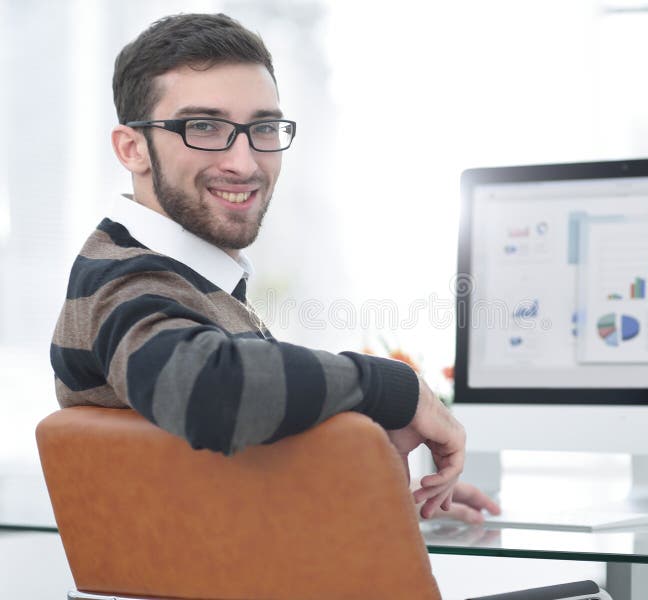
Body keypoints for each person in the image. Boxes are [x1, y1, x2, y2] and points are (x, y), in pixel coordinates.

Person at [50, 12, 499, 525]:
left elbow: (213, 491)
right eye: (204, 127)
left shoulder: (182, 279)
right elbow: (208, 392)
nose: (243, 163)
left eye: (262, 128)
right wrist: (392, 387)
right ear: (133, 149)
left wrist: (373, 491)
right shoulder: (125, 281)